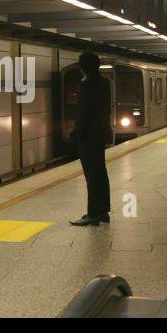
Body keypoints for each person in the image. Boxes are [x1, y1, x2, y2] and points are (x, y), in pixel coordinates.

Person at [69, 52, 113, 227]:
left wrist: (76, 135)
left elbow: (83, 114)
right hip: (100, 135)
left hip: (88, 137)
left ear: (83, 66)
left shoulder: (87, 84)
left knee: (92, 176)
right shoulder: (105, 83)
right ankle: (103, 212)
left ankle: (93, 214)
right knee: (101, 173)